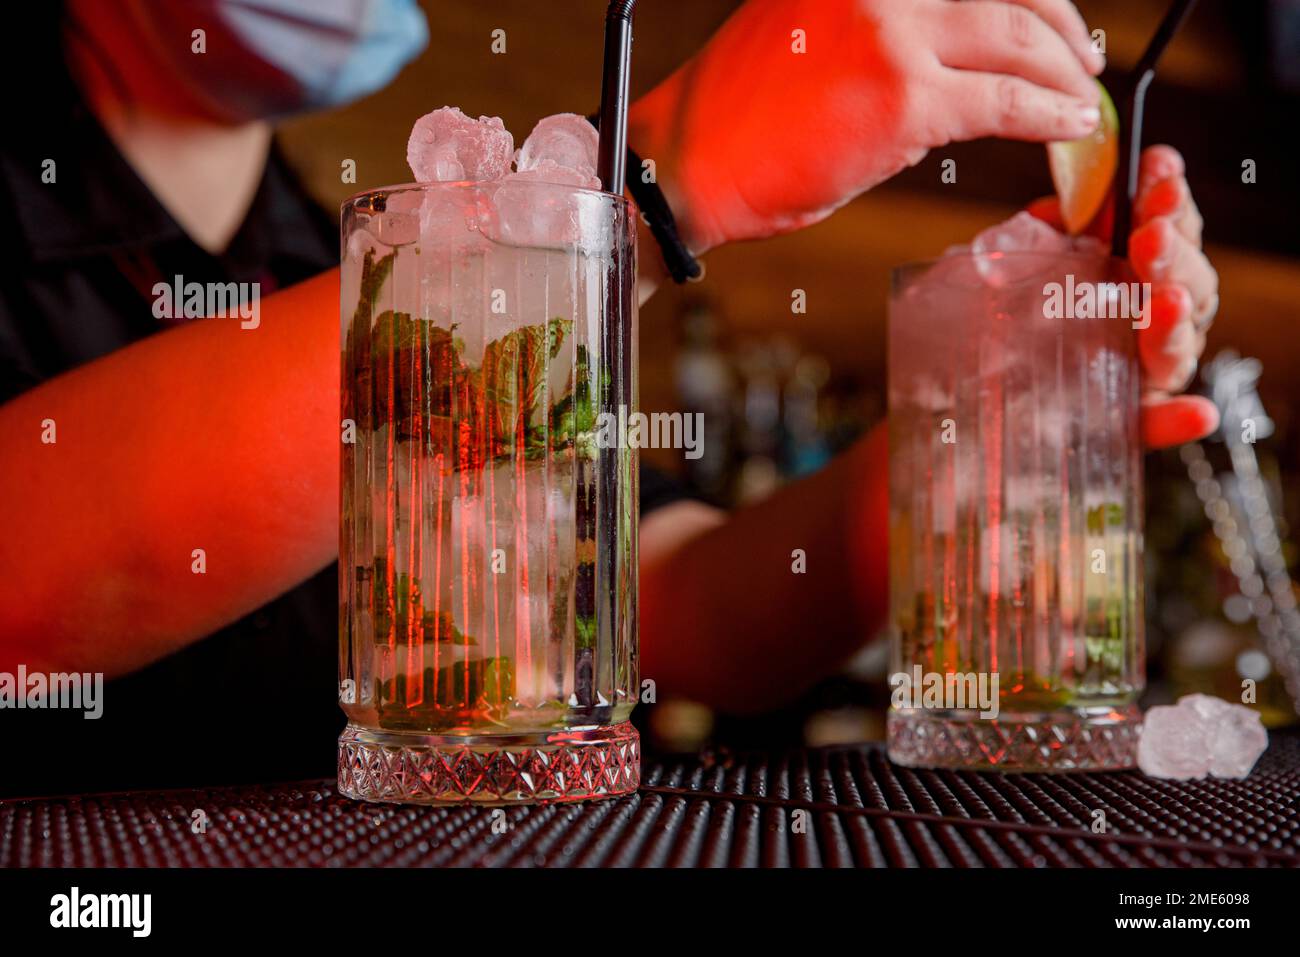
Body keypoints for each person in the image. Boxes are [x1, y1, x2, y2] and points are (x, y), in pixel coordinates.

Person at [0, 0, 1217, 794]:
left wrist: (984, 407)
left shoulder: (320, 246)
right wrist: (642, 184)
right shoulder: (392, 266)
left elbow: (686, 609)